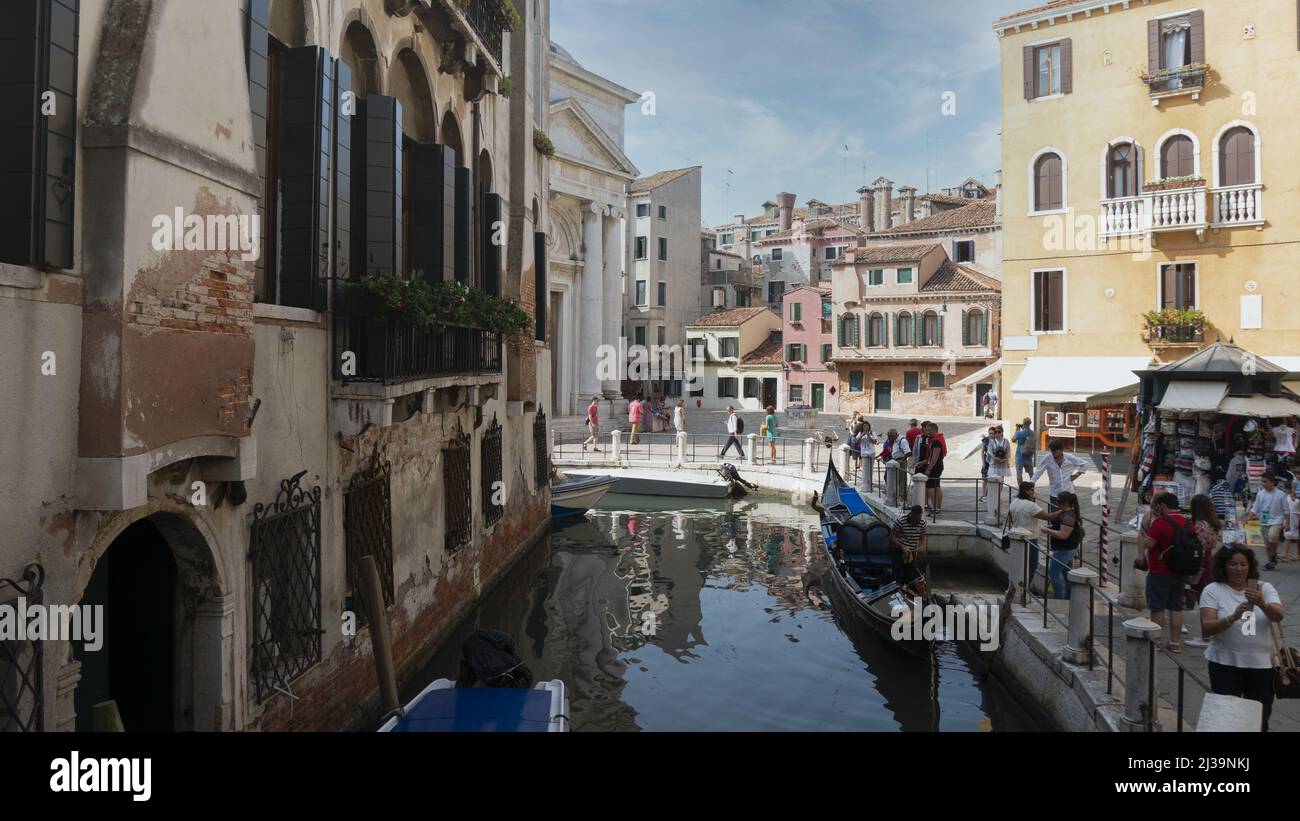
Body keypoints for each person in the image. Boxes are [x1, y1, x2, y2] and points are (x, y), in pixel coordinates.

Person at [1198, 545, 1286, 731]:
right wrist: (1232, 617)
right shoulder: (1213, 590)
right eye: (1233, 564)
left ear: (1250, 566)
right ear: (1223, 566)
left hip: (1262, 666)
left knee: (1258, 719)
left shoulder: (1265, 588)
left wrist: (1262, 603)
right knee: (1225, 719)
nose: (1239, 569)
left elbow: (1278, 616)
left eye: (1243, 564)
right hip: (1225, 663)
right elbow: (1207, 628)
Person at [1140, 492, 1188, 652]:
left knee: (1157, 607)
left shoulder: (1160, 522)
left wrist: (1145, 538)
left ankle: (1157, 641)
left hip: (1160, 570)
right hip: (1180, 570)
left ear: (1163, 506)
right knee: (1176, 607)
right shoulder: (1187, 522)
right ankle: (1175, 643)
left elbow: (1150, 544)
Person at [1183, 493, 1223, 649]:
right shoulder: (1214, 524)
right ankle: (1209, 634)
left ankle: (1205, 637)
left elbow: (1196, 545)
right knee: (1208, 600)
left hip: (1200, 562)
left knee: (1203, 600)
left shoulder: (1200, 525)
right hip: (1209, 560)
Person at [1008, 481, 1061, 592]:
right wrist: (1063, 510)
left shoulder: (1014, 502)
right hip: (1030, 539)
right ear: (1026, 491)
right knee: (1031, 567)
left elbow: (1012, 519)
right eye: (1032, 490)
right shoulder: (1030, 506)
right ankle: (1025, 590)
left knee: (1018, 565)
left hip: (1016, 538)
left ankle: (1017, 588)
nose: (1034, 492)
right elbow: (1048, 516)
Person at [1040, 490, 1082, 599]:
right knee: (1066, 573)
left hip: (1064, 549)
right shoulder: (1064, 512)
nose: (1056, 502)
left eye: (1058, 501)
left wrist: (1047, 530)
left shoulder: (1069, 516)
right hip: (1066, 548)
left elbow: (1063, 535)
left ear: (1063, 502)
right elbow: (1060, 526)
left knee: (1053, 573)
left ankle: (1058, 598)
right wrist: (1050, 527)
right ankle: (1068, 598)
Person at [1246, 470, 1288, 571]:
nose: (1263, 484)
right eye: (1262, 481)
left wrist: (1287, 523)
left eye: (1265, 481)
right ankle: (1271, 562)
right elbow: (1256, 507)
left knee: (1272, 536)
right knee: (1267, 544)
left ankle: (1273, 556)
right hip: (1264, 521)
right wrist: (1249, 516)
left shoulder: (1281, 494)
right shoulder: (1260, 493)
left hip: (1277, 520)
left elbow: (1286, 510)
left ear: (1272, 482)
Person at [1031, 440, 1089, 510]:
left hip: (1068, 492)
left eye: (1055, 451)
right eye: (1052, 451)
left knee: (1069, 514)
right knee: (1055, 514)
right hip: (1055, 493)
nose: (1053, 453)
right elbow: (1038, 472)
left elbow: (1085, 464)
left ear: (1061, 450)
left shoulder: (1069, 457)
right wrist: (1031, 483)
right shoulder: (1047, 458)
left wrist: (1077, 474)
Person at [889, 505, 928, 586]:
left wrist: (921, 547)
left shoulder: (922, 523)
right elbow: (892, 537)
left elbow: (922, 538)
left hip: (911, 551)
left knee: (910, 576)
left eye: (918, 519)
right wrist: (902, 546)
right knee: (897, 573)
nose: (915, 522)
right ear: (911, 514)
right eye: (914, 519)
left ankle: (908, 590)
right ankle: (897, 588)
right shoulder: (901, 521)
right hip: (898, 550)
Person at [919, 422, 947, 514]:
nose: (927, 433)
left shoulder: (936, 442)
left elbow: (934, 457)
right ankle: (938, 507)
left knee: (931, 487)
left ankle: (935, 508)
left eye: (928, 431)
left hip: (935, 467)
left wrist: (929, 469)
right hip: (938, 466)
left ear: (933, 430)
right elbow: (931, 456)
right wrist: (922, 462)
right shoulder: (939, 438)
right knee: (937, 486)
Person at [983, 425, 1012, 509]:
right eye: (996, 432)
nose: (997, 433)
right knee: (990, 480)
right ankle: (986, 496)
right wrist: (995, 458)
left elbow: (1008, 451)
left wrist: (1006, 459)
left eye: (999, 432)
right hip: (994, 464)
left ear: (1002, 432)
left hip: (1003, 464)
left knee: (1001, 481)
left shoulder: (1006, 441)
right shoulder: (992, 441)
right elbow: (990, 451)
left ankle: (998, 495)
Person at [1014, 418, 1036, 485]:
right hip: (1029, 455)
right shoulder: (1033, 433)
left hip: (1020, 456)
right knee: (1031, 474)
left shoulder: (1020, 433)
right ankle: (1032, 488)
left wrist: (1017, 430)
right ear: (1030, 423)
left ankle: (1021, 489)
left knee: (1019, 473)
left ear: (1023, 423)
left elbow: (1013, 439)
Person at [1283, 479, 1299, 562]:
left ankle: (1285, 555)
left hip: (1293, 519)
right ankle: (1286, 555)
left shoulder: (1289, 498)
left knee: (1289, 536)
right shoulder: (1290, 498)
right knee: (1294, 537)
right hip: (1292, 519)